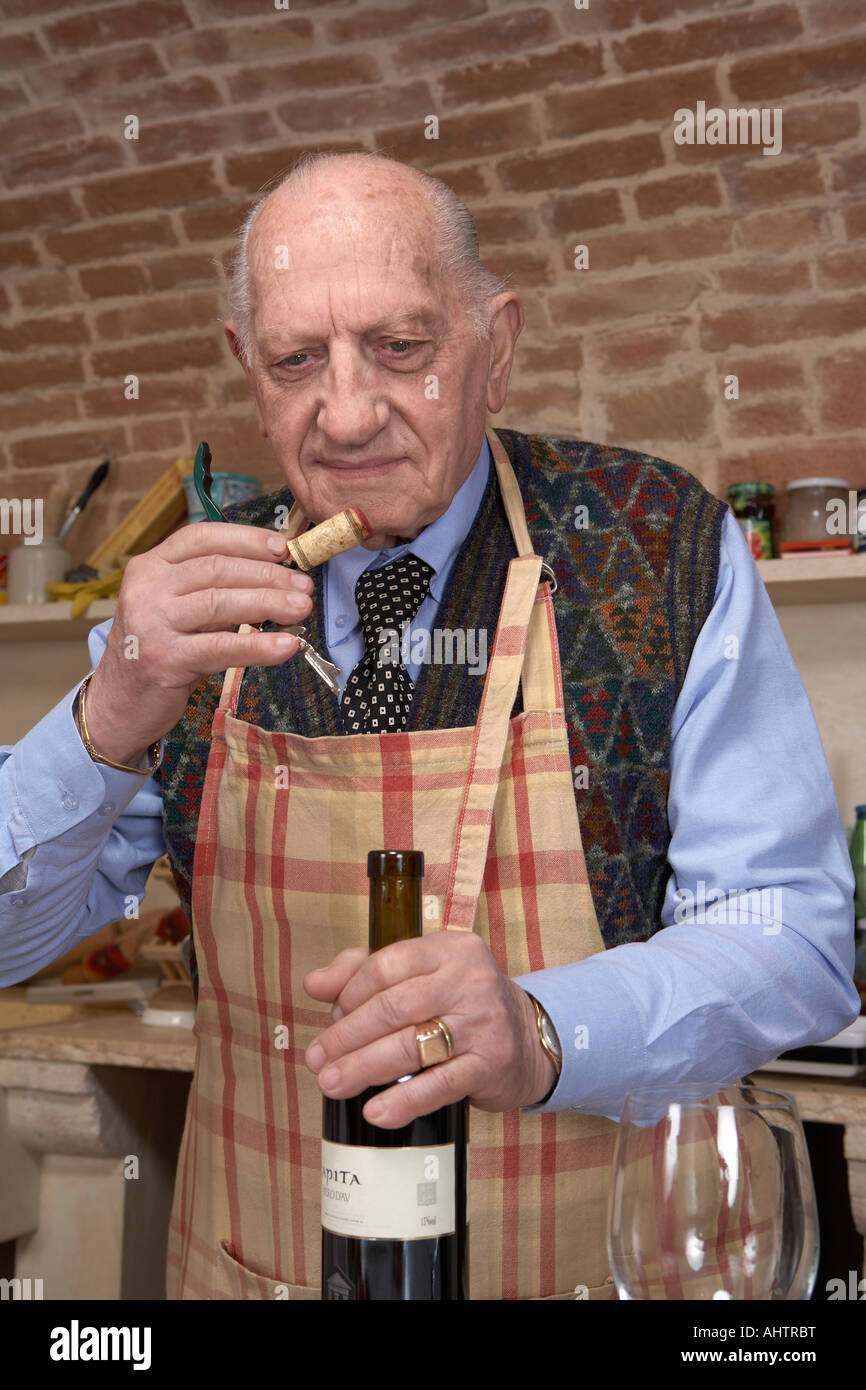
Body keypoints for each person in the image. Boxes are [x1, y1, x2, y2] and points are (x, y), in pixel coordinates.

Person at [0, 151, 857, 1301]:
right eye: (296, 360)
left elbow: (792, 931)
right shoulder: (195, 603)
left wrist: (544, 1028)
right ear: (243, 366)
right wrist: (106, 716)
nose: (345, 413)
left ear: (493, 347)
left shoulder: (655, 546)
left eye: (399, 349)